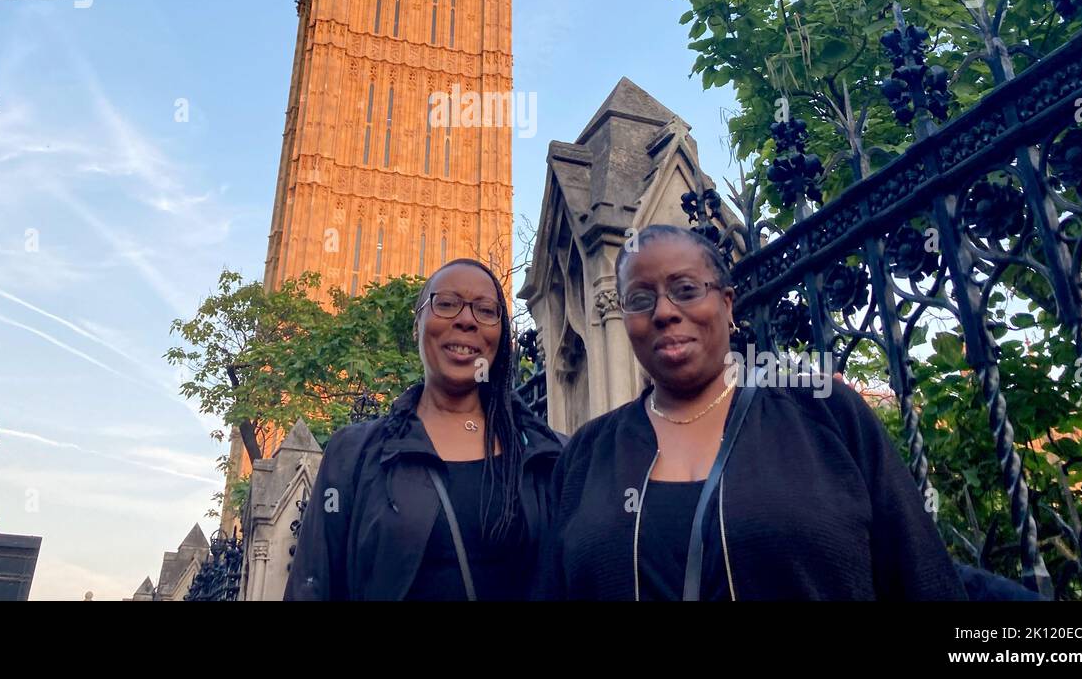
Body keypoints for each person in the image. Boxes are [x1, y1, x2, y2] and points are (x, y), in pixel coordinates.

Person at [536, 224, 969, 601]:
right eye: (640, 299)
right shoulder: (588, 455)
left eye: (686, 290)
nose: (665, 312)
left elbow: (923, 575)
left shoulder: (822, 413)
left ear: (727, 304)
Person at [285, 258, 562, 600]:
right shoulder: (353, 455)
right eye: (446, 304)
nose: (465, 320)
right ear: (418, 325)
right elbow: (312, 585)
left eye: (486, 310)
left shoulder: (548, 455)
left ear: (501, 333)